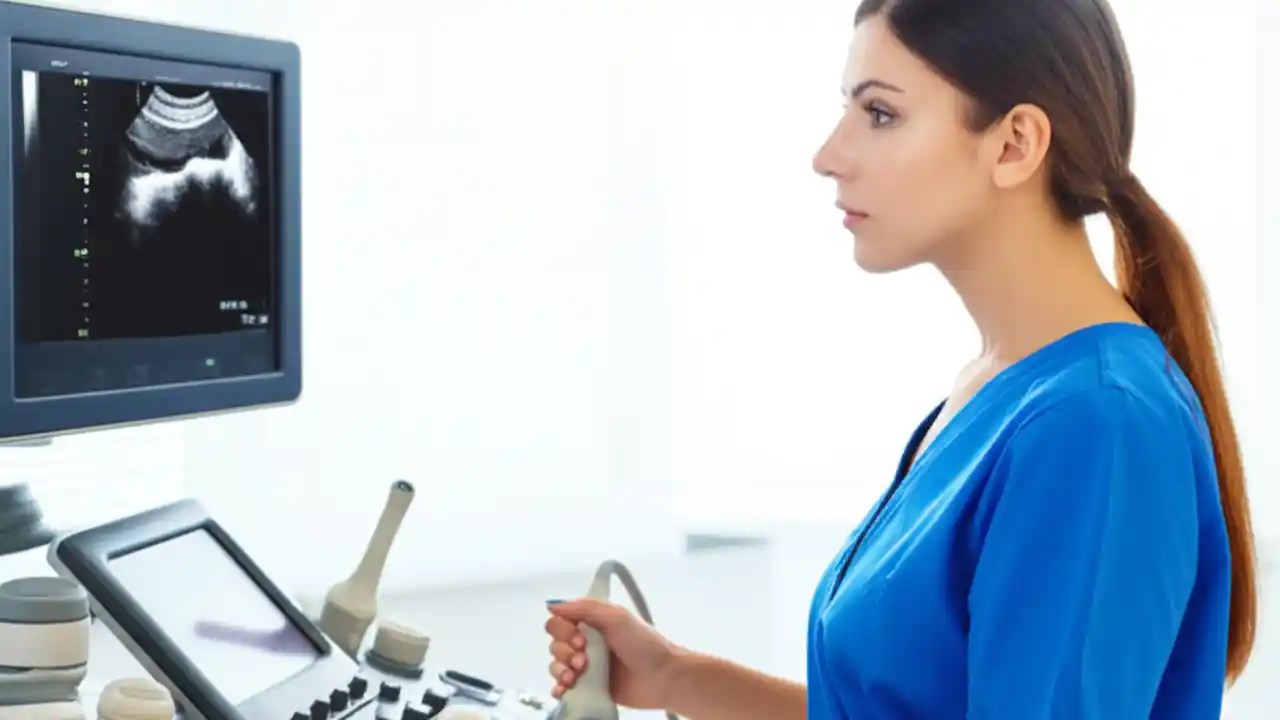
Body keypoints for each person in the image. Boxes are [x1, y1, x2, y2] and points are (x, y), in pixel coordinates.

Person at [544, 0, 1257, 717]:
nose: (829, 155)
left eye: (879, 114)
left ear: (1014, 144)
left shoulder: (1096, 425)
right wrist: (678, 678)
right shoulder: (993, 391)